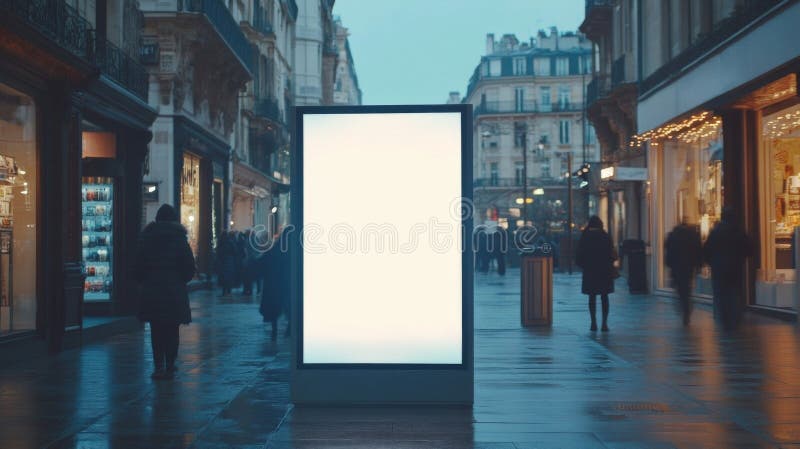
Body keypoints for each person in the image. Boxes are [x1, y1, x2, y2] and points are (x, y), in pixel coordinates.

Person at [134, 204, 195, 380]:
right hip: (174, 291)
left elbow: (138, 266)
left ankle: (158, 365)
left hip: (152, 290)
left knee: (156, 329)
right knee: (172, 328)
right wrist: (180, 280)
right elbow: (189, 267)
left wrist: (145, 281)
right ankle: (170, 363)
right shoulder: (180, 239)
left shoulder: (147, 238)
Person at [703, 207, 752, 330]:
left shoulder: (715, 232)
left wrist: (712, 262)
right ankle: (734, 317)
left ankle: (724, 317)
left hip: (719, 269)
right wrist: (741, 258)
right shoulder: (738, 231)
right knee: (734, 292)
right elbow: (748, 248)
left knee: (720, 293)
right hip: (735, 268)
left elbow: (706, 250)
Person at [575, 215, 616, 332]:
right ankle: (604, 323)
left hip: (590, 271)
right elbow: (612, 254)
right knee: (604, 297)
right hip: (604, 270)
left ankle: (593, 323)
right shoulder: (605, 236)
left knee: (592, 297)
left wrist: (585, 266)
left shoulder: (585, 236)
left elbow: (579, 255)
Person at [665, 219, 703, 325]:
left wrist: (669, 264)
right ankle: (686, 308)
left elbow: (669, 251)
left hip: (676, 267)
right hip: (688, 267)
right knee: (687, 288)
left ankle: (683, 307)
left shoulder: (672, 235)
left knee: (680, 289)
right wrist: (698, 265)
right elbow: (698, 250)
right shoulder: (693, 236)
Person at [259, 229, 291, 340]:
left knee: (276, 307)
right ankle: (287, 328)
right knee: (286, 305)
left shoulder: (276, 249)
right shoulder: (292, 250)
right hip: (285, 283)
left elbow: (263, 263)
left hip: (275, 284)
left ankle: (276, 330)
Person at [215, 232, 238, 297]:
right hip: (229, 260)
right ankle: (228, 290)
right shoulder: (230, 242)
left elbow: (218, 252)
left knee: (224, 276)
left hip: (222, 261)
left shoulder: (220, 242)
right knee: (229, 276)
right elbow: (235, 251)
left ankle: (224, 290)